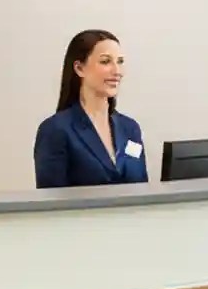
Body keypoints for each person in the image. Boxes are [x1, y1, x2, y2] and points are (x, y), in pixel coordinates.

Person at [33, 29, 149, 189]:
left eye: (120, 61)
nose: (117, 71)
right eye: (105, 61)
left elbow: (143, 192)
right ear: (80, 68)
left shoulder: (130, 129)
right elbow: (52, 205)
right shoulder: (56, 130)